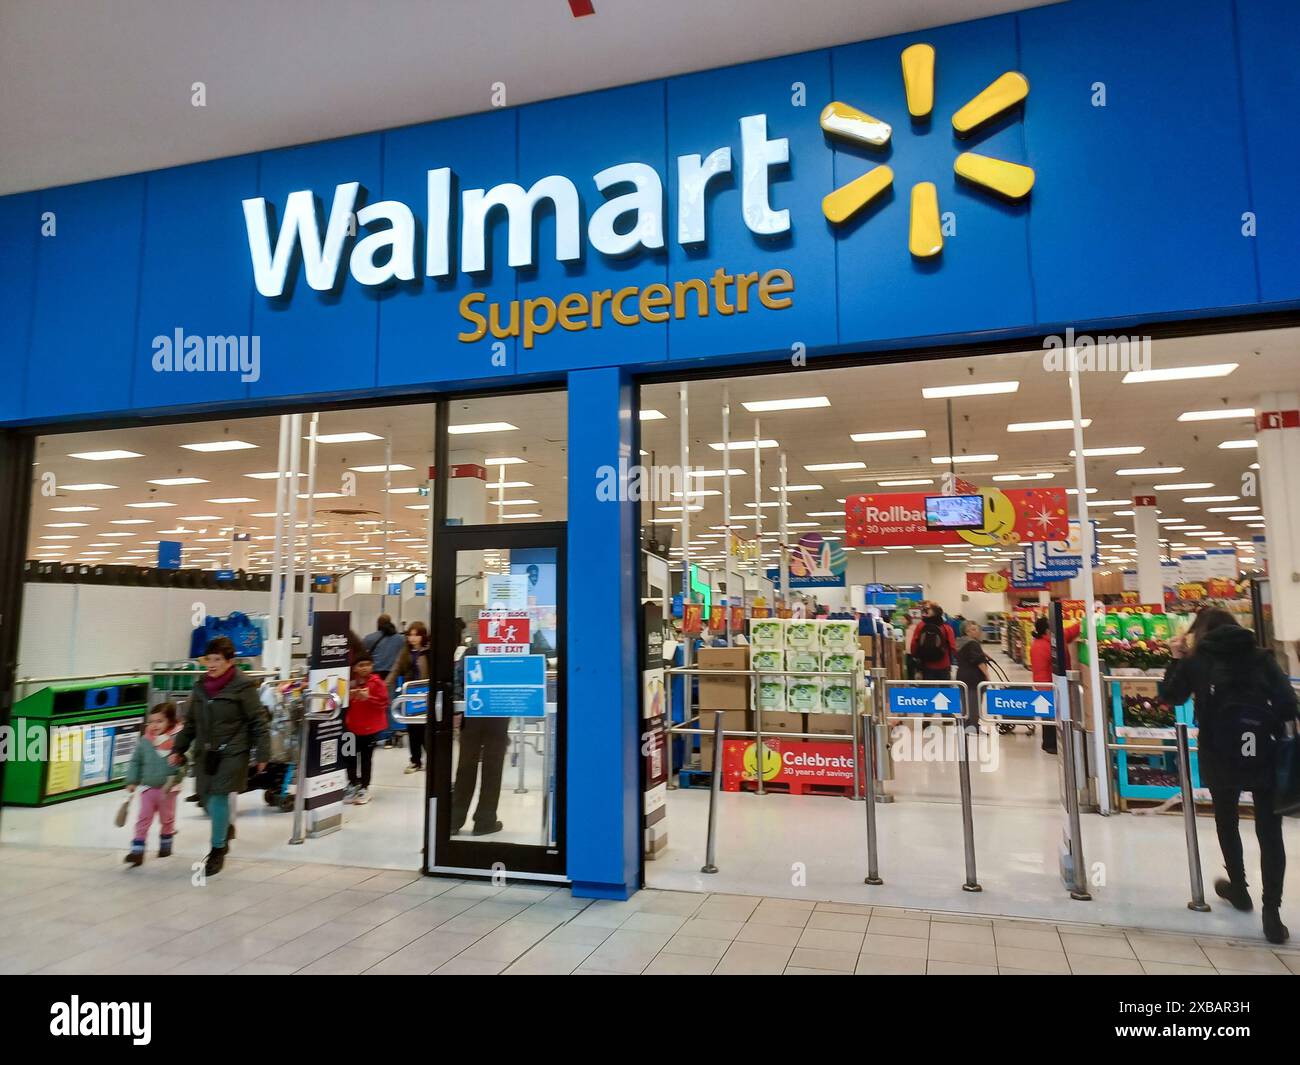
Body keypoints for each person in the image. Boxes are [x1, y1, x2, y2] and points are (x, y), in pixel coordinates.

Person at [1159, 607, 1298, 944]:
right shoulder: (1262, 657)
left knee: (1226, 817)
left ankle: (1238, 887)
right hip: (1263, 751)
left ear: (1200, 631)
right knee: (1270, 831)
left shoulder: (1197, 660)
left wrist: (1176, 657)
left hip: (1218, 752)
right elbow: (1288, 705)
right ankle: (1271, 911)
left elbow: (1169, 696)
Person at [171, 636, 269, 877]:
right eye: (208, 659)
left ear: (230, 661)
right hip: (207, 751)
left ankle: (217, 850)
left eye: (217, 660)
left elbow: (258, 721)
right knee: (207, 799)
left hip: (233, 751)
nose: (211, 665)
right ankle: (225, 827)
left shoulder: (243, 686)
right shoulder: (200, 686)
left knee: (217, 797)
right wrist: (178, 748)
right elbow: (191, 723)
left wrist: (263, 753)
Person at [123, 702, 183, 866]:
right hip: (148, 787)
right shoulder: (145, 741)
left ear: (170, 721)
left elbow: (183, 764)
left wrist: (175, 778)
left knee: (167, 819)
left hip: (168, 790)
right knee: (143, 818)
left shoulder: (177, 741)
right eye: (151, 721)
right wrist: (132, 780)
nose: (154, 725)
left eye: (160, 721)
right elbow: (136, 761)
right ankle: (137, 851)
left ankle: (165, 844)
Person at [343, 653, 389, 805]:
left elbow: (384, 703)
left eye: (367, 665)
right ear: (354, 668)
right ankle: (351, 784)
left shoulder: (377, 683)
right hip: (350, 728)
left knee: (366, 759)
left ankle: (364, 787)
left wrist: (369, 698)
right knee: (349, 757)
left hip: (369, 729)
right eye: (360, 665)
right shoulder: (348, 683)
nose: (364, 668)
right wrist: (348, 696)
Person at [389, 621, 431, 773]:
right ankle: (415, 761)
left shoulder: (429, 652)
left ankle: (432, 760)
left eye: (416, 635)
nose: (413, 638)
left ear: (422, 636)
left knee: (427, 730)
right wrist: (385, 684)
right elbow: (395, 669)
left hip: (426, 695)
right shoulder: (405, 653)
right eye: (410, 635)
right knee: (413, 730)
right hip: (410, 695)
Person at [955, 621, 992, 727]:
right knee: (974, 704)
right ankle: (974, 726)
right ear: (967, 632)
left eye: (977, 629)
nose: (977, 631)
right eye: (973, 629)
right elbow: (979, 661)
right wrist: (987, 676)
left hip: (962, 675)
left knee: (966, 704)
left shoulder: (959, 642)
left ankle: (966, 724)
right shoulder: (973, 643)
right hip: (973, 677)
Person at [910, 605, 956, 681]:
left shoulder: (921, 625)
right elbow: (952, 647)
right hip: (944, 663)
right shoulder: (946, 627)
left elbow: (914, 644)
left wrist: (916, 655)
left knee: (928, 690)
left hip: (926, 663)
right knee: (944, 691)